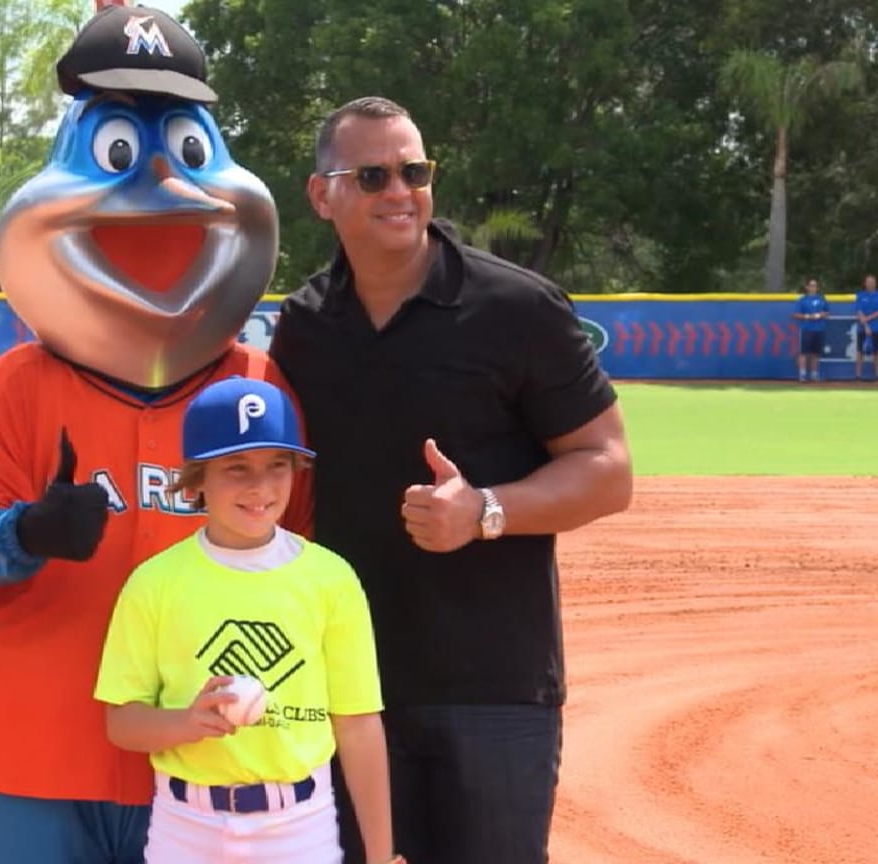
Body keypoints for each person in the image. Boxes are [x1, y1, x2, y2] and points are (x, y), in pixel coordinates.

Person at [0, 8, 306, 863]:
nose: (160, 185)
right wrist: (26, 532)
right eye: (121, 151)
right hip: (19, 741)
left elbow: (296, 564)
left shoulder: (257, 386)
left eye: (189, 152)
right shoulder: (20, 385)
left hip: (197, 759)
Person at [269, 96, 634, 864]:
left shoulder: (518, 308)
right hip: (345, 685)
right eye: (372, 175)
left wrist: (486, 510)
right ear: (321, 194)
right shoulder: (303, 326)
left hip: (492, 686)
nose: (399, 191)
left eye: (415, 170)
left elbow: (608, 469)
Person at [95, 377, 399, 864]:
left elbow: (359, 723)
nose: (260, 486)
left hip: (300, 826)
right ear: (196, 479)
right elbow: (122, 723)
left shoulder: (330, 578)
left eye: (277, 465)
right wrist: (186, 722)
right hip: (187, 825)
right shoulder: (155, 582)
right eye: (236, 467)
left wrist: (382, 856)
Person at [793, 278, 828, 382]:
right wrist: (808, 316)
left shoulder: (822, 299)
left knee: (815, 353)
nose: (813, 288)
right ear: (807, 287)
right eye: (811, 285)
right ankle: (802, 374)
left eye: (815, 286)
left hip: (819, 329)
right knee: (803, 353)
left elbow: (827, 312)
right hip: (807, 329)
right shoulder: (802, 300)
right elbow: (796, 314)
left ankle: (814, 374)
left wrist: (821, 315)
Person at [853, 274, 878, 381]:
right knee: (860, 352)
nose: (870, 284)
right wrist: (865, 324)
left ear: (875, 283)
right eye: (868, 281)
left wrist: (867, 319)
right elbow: (858, 311)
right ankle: (858, 376)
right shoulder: (860, 295)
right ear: (865, 283)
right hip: (862, 328)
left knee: (877, 352)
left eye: (872, 281)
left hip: (876, 328)